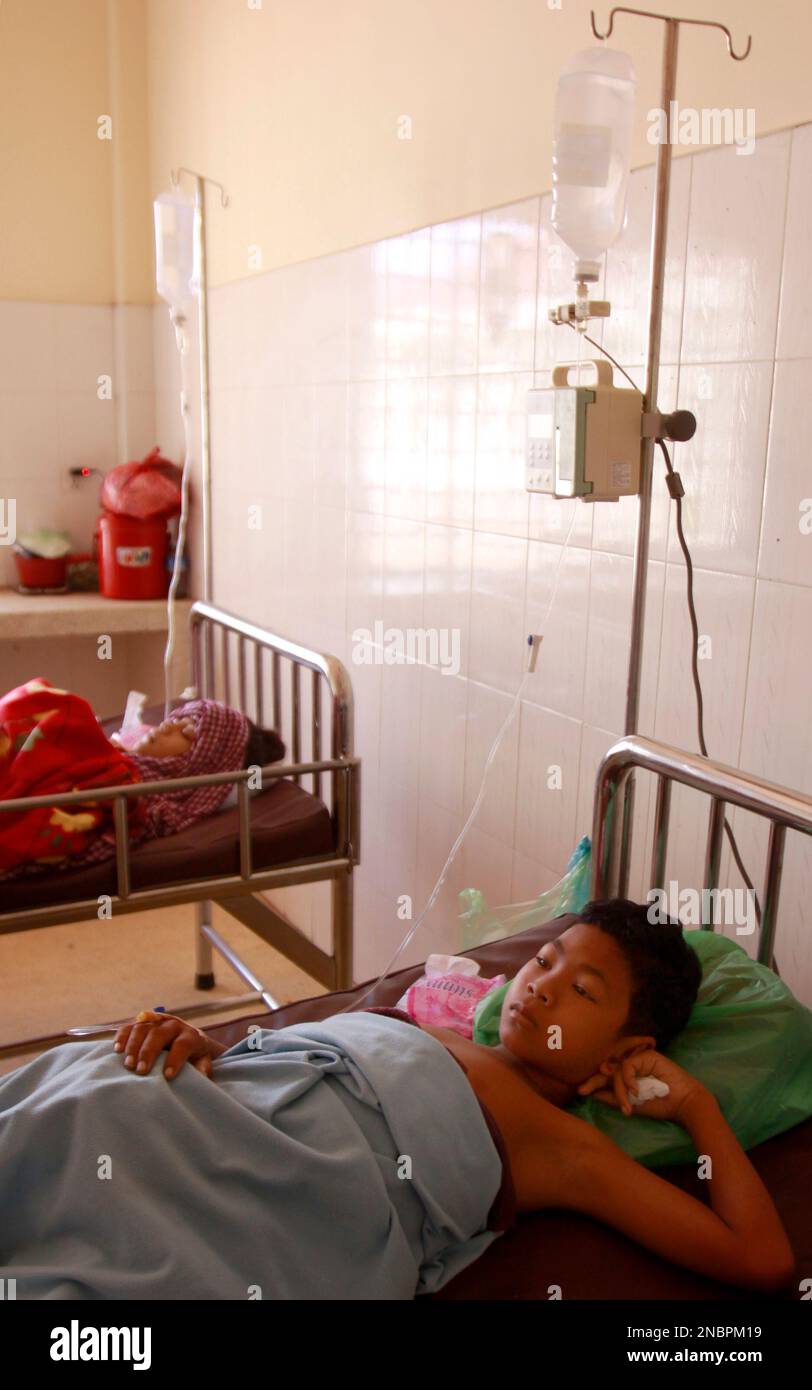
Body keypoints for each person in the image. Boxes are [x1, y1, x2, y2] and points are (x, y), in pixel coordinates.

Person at [115, 898, 796, 1294]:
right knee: (77, 1104)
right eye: (546, 959)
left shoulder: (564, 1148)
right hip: (200, 1108)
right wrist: (211, 1048)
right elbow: (298, 1065)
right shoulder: (419, 1024)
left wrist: (697, 1109)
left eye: (583, 990)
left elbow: (763, 1260)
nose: (541, 986)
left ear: (625, 1049)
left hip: (245, 1197)